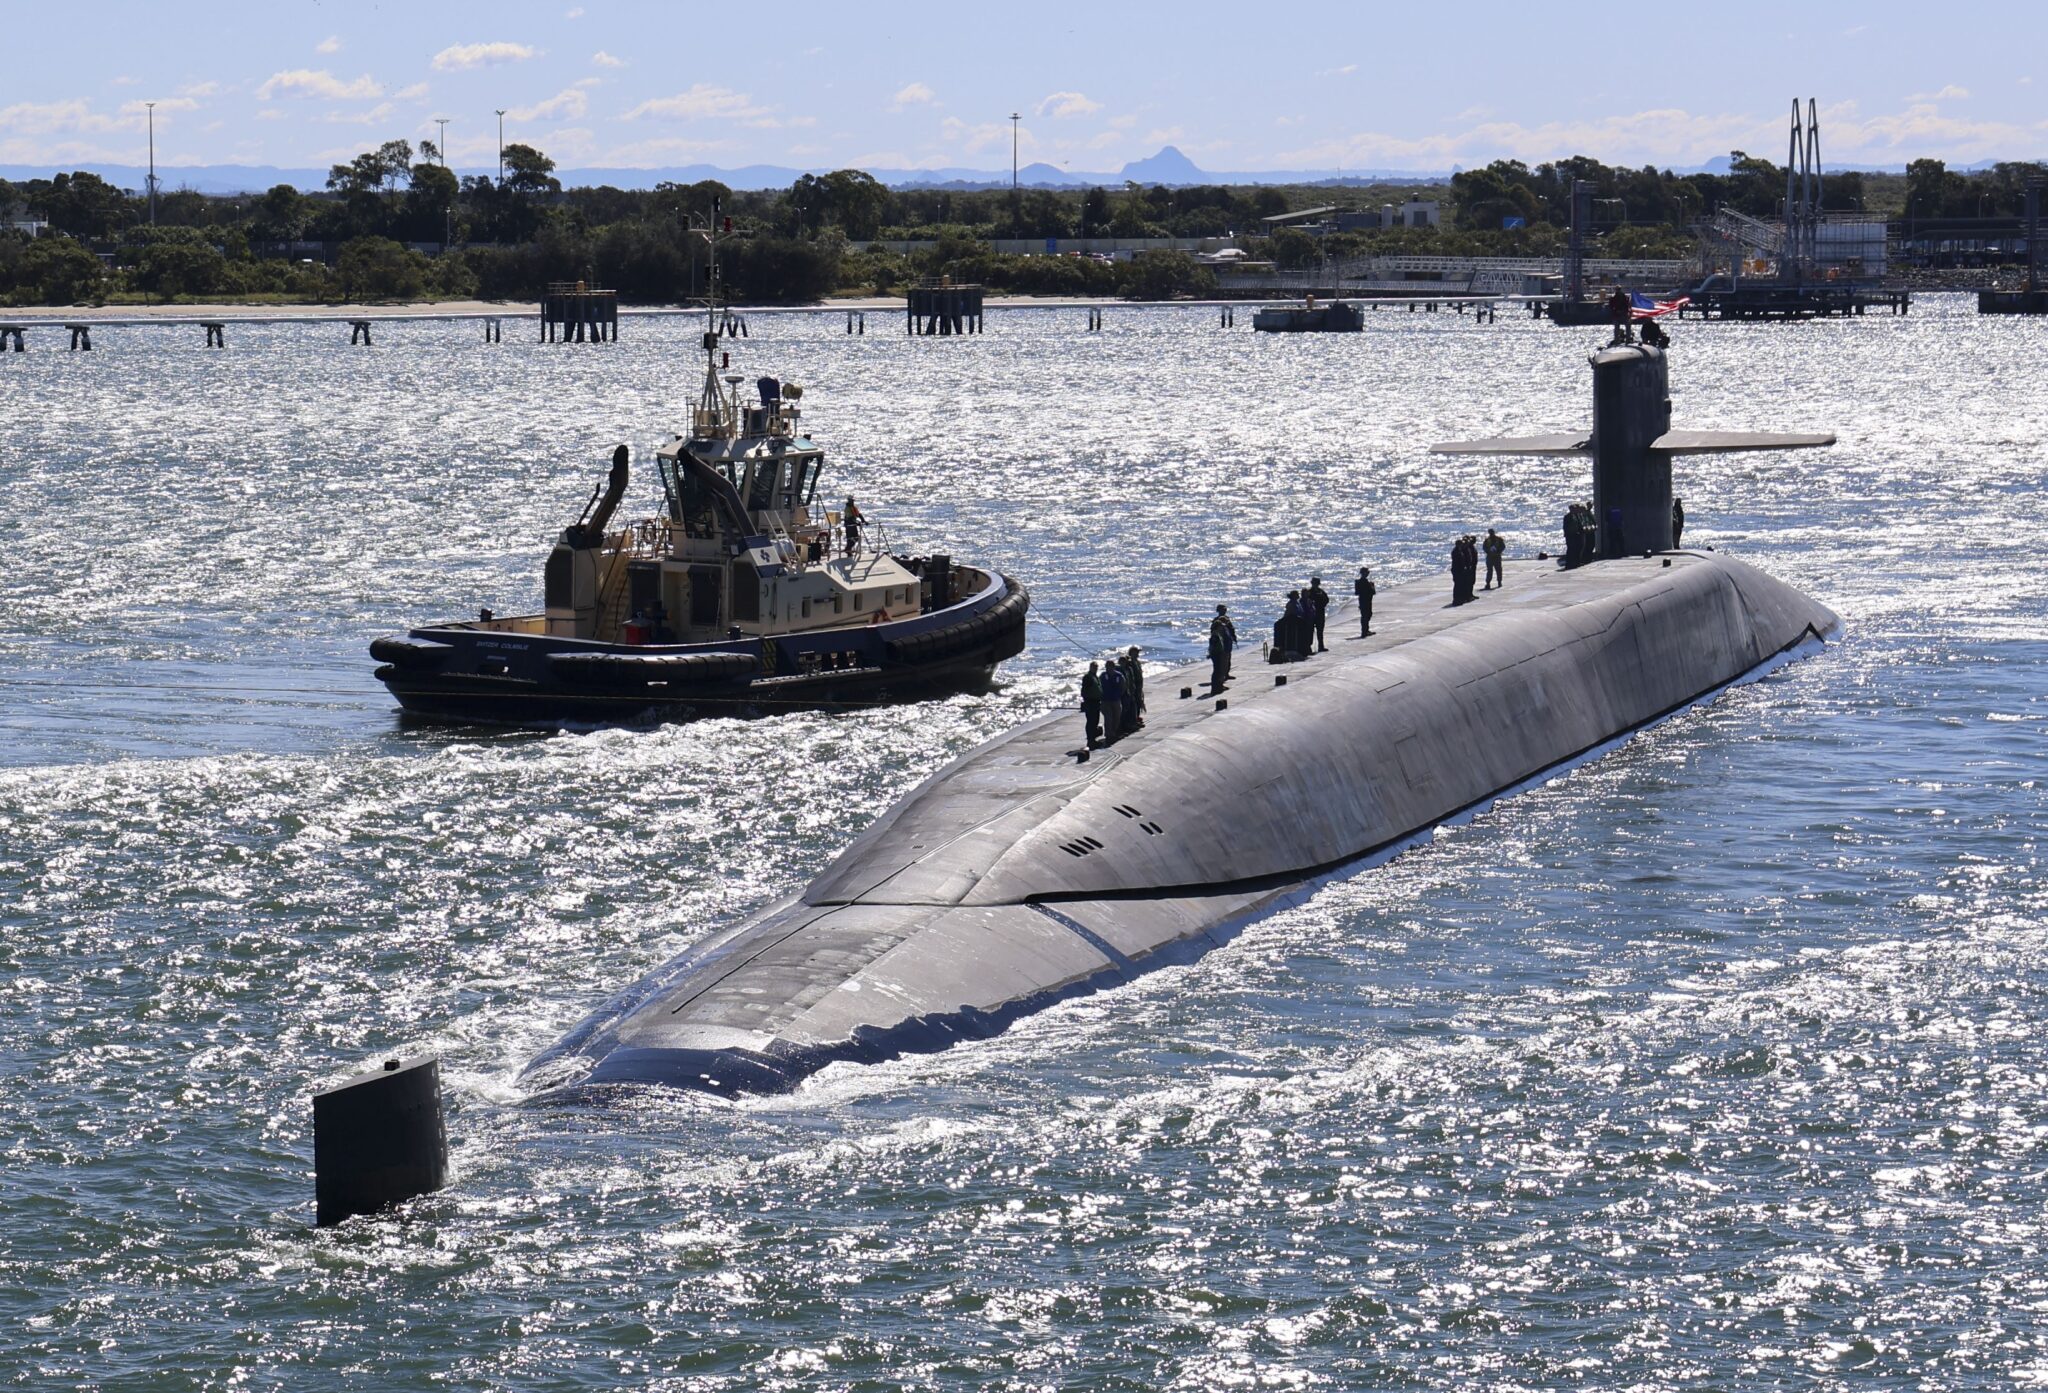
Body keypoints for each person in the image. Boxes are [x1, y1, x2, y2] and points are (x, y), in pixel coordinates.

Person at [1209, 605, 1236, 688]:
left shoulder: (1227, 619)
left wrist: (1234, 637)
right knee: (1220, 664)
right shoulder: (1216, 621)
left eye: (1225, 610)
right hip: (1221, 645)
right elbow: (1213, 633)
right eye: (1223, 610)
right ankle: (1220, 680)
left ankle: (1226, 674)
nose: (1224, 611)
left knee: (1228, 659)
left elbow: (1231, 629)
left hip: (1228, 642)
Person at [1100, 659, 1126, 743]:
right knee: (1108, 718)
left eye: (1111, 666)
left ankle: (1113, 732)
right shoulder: (1103, 676)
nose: (1109, 668)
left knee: (1117, 717)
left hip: (1116, 700)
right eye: (1107, 667)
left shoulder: (1119, 676)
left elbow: (1123, 687)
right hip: (1105, 701)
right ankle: (1108, 734)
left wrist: (1119, 695)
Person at [1119, 647, 1144, 731]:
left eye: (1137, 652)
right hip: (1134, 687)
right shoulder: (1130, 664)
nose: (1137, 654)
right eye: (1135, 652)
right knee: (1133, 704)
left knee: (1138, 703)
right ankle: (1130, 722)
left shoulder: (1137, 662)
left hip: (1138, 686)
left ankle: (1135, 719)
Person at [1080, 662, 1102, 748]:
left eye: (1096, 667)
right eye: (1093, 667)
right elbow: (1084, 691)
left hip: (1096, 702)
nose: (1095, 669)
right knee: (1091, 722)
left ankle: (1093, 739)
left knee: (1095, 721)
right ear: (1090, 667)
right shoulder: (1088, 677)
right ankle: (1090, 740)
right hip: (1090, 703)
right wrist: (1086, 701)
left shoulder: (1095, 677)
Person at [1306, 576, 1330, 652]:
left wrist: (1321, 605)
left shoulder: (1321, 592)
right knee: (1310, 631)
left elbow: (1326, 600)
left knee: (1320, 631)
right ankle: (1308, 647)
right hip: (1311, 614)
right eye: (1314, 583)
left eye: (1316, 583)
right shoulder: (1308, 592)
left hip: (1320, 613)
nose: (1315, 584)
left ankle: (1321, 646)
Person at [1353, 566, 1376, 636]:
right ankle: (1364, 631)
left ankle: (1365, 630)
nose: (1367, 574)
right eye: (1367, 572)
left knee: (1366, 615)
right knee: (1366, 615)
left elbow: (1357, 592)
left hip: (1363, 600)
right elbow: (1373, 592)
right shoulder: (1364, 582)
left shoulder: (1359, 582)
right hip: (1365, 600)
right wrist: (1372, 586)